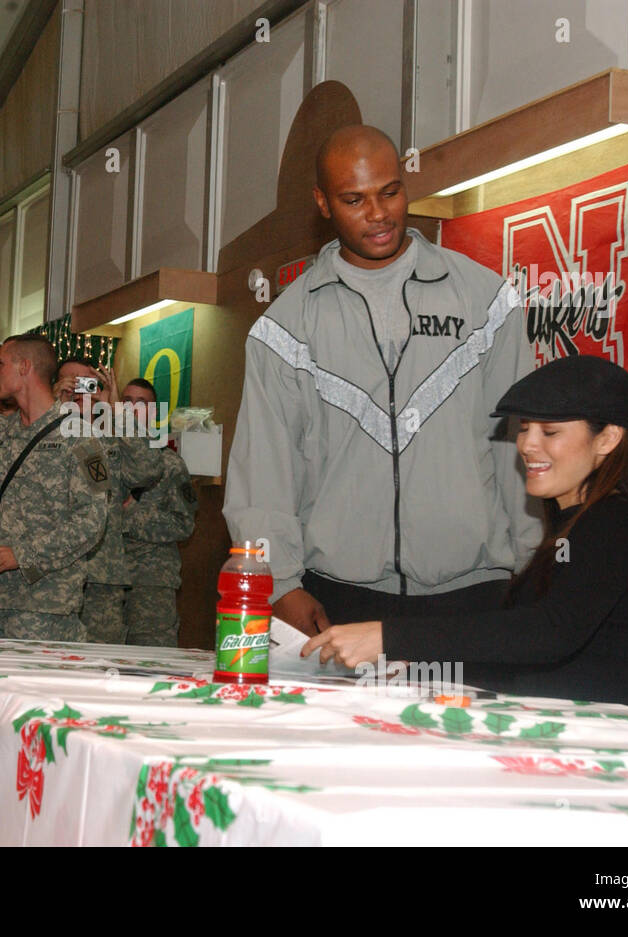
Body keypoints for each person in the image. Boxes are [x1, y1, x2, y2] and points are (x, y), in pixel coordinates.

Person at [224, 124, 537, 637]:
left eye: (390, 192)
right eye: (354, 199)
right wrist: (278, 584)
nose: (378, 214)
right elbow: (264, 474)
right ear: (322, 203)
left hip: (476, 593)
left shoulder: (486, 301)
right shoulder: (284, 329)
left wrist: (534, 566)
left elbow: (520, 446)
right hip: (339, 598)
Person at [303, 355, 628, 708]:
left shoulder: (619, 522)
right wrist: (411, 666)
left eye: (550, 431)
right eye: (525, 429)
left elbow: (549, 634)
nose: (527, 445)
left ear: (607, 439)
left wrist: (388, 638)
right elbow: (515, 653)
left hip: (589, 738)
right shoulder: (573, 526)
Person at [0, 335, 109, 641]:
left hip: (41, 607)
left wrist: (22, 555)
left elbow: (92, 521)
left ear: (24, 367)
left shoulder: (80, 436)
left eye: (1, 364)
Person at [53, 357, 162, 643]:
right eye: (71, 383)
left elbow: (149, 468)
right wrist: (53, 405)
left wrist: (116, 410)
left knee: (101, 669)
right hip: (49, 575)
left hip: (101, 578)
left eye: (87, 384)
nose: (80, 392)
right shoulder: (44, 434)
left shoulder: (115, 438)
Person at [120, 379, 197, 646]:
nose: (132, 409)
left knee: (150, 662)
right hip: (104, 580)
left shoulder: (170, 464)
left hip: (150, 582)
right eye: (126, 401)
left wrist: (131, 511)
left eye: (141, 403)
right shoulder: (104, 455)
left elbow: (183, 525)